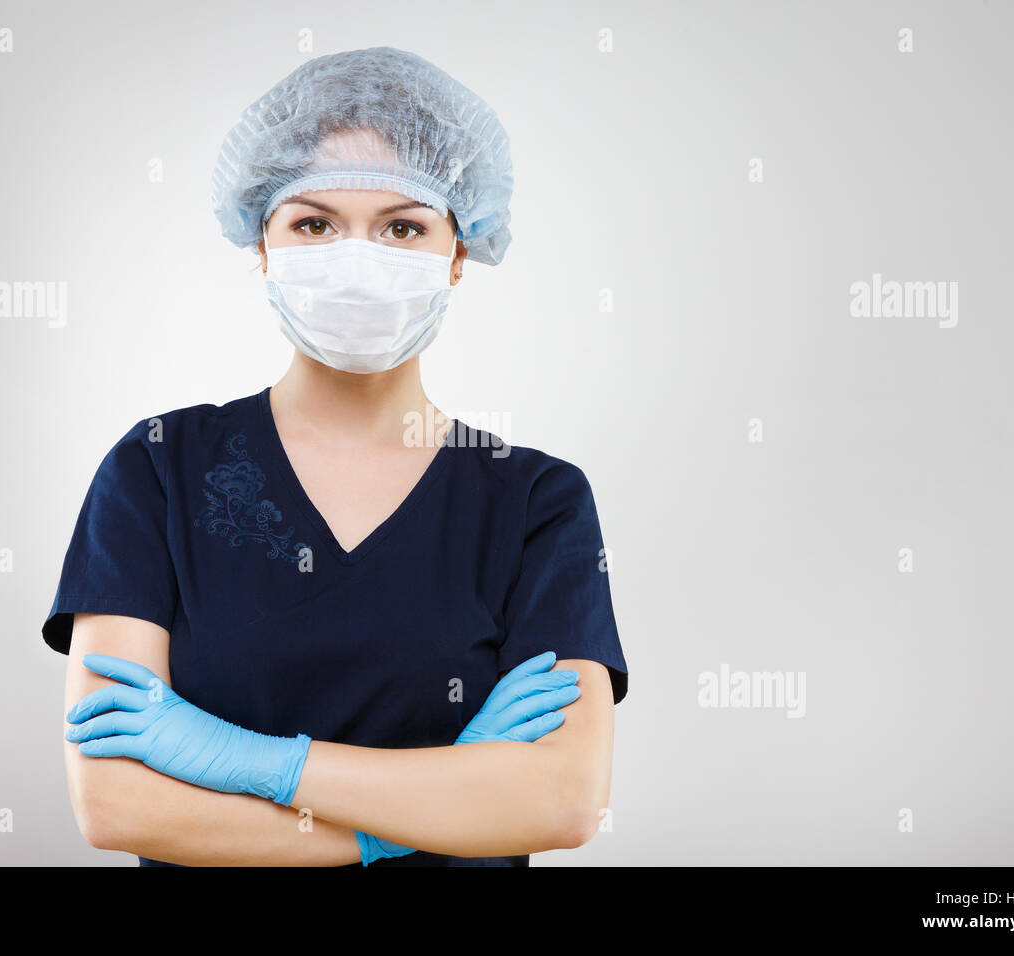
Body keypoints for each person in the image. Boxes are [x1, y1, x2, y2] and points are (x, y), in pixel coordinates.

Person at [41, 46, 629, 867]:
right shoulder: (157, 470)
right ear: (261, 244)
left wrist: (255, 761)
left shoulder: (535, 501)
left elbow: (564, 801)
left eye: (403, 226)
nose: (358, 263)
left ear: (460, 252)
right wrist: (423, 811)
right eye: (314, 223)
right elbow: (115, 804)